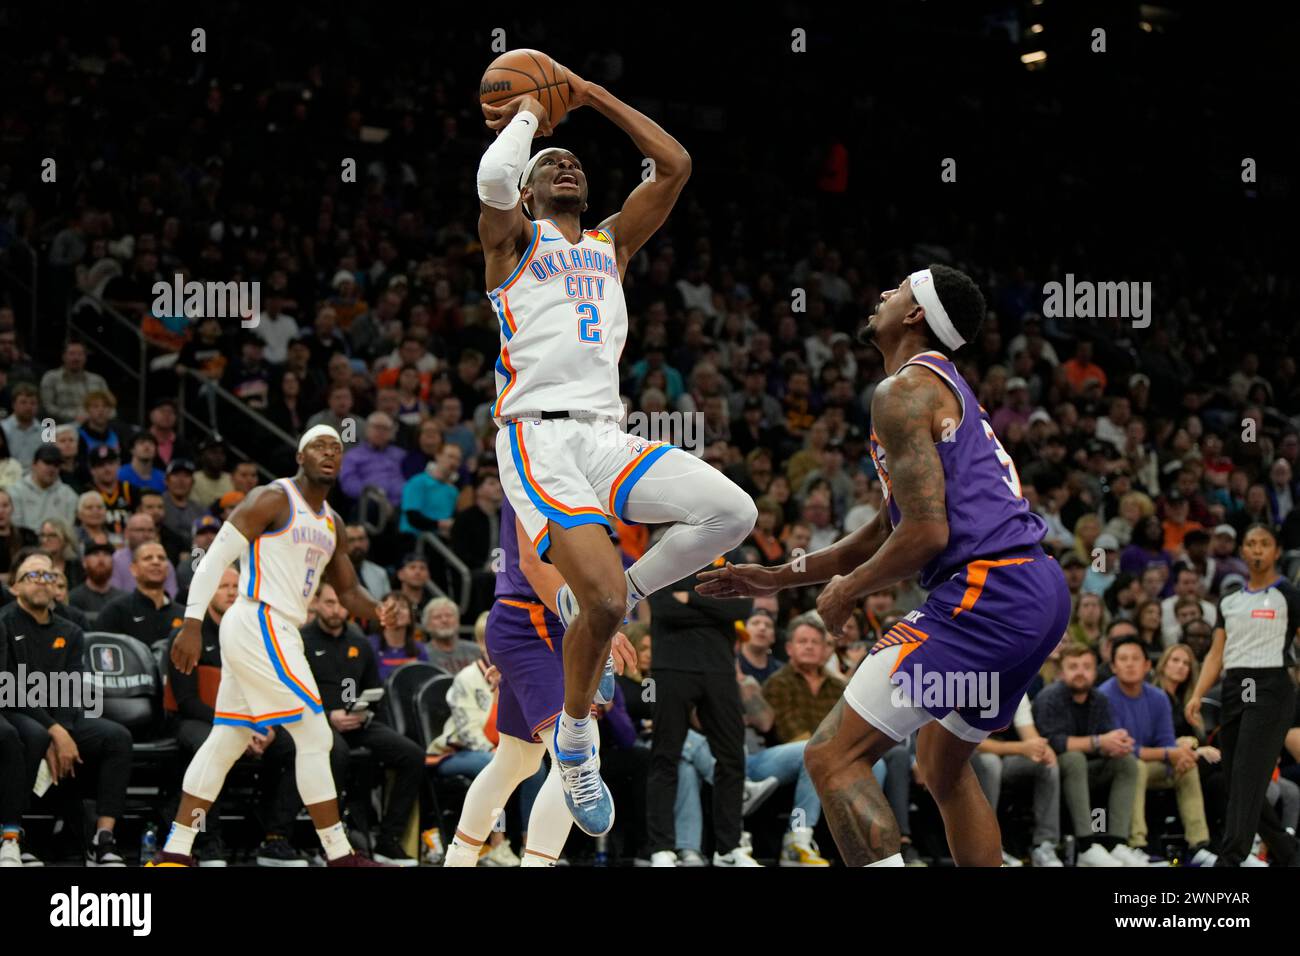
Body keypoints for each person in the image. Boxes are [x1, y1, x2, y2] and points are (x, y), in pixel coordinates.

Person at [700, 267, 1070, 866]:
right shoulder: (941, 389)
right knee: (940, 767)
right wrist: (775, 577)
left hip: (989, 592)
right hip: (1036, 591)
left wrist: (849, 590)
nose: (881, 295)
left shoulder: (900, 393)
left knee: (830, 757)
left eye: (896, 289)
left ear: (917, 313)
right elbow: (888, 526)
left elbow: (927, 533)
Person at [476, 68, 756, 835]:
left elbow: (675, 166)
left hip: (606, 433)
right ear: (529, 193)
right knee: (597, 605)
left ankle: (614, 596)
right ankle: (574, 740)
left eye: (574, 161)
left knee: (731, 511)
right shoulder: (511, 242)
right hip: (539, 437)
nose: (565, 165)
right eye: (548, 166)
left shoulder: (610, 243)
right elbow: (493, 175)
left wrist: (591, 94)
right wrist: (531, 113)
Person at [153, 425, 399, 867]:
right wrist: (190, 622)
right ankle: (340, 855)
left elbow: (347, 592)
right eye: (319, 446)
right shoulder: (273, 498)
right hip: (258, 618)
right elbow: (214, 560)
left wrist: (379, 609)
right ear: (300, 457)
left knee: (226, 740)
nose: (330, 452)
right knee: (315, 733)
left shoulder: (333, 523)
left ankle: (175, 850)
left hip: (278, 626)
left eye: (337, 448)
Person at [443, 497, 635, 868]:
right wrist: (600, 628)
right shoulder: (536, 466)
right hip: (533, 623)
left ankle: (458, 859)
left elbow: (592, 566)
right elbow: (532, 563)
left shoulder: (581, 474)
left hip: (542, 626)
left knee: (517, 761)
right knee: (581, 751)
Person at [0, 551, 133, 865]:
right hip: (17, 709)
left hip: (62, 716)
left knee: (117, 737)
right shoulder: (4, 622)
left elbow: (73, 687)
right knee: (33, 736)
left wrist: (64, 730)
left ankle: (102, 839)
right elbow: (8, 688)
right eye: (32, 575)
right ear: (14, 587)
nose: (42, 582)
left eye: (49, 575)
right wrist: (55, 732)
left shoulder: (70, 630)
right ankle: (19, 836)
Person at [1187, 523, 1299, 867]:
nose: (1257, 550)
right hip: (1235, 688)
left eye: (1264, 544)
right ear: (1242, 551)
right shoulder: (1231, 600)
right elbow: (1216, 654)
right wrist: (1197, 694)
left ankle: (1230, 859)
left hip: (1271, 688)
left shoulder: (1289, 596)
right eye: (1250, 543)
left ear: (1276, 551)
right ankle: (1289, 853)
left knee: (1249, 778)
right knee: (1238, 781)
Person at [302, 583, 425, 866]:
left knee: (412, 755)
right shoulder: (302, 640)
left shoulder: (360, 642)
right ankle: (330, 843)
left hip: (358, 722)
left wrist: (364, 712)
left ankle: (388, 840)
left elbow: (374, 689)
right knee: (338, 755)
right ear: (317, 604)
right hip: (318, 722)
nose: (336, 610)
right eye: (330, 603)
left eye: (341, 604)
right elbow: (294, 689)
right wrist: (329, 714)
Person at [644, 571, 756, 867]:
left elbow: (742, 608)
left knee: (732, 758)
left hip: (719, 669)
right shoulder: (665, 549)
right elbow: (663, 608)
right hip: (670, 666)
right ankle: (661, 848)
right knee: (665, 756)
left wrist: (690, 599)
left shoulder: (730, 556)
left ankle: (728, 848)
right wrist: (712, 608)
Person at [1100, 637, 1215, 865]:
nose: (1130, 664)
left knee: (1188, 768)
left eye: (1136, 659)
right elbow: (1122, 749)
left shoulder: (1158, 698)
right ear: (1113, 666)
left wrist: (1178, 757)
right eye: (1123, 659)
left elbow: (1167, 742)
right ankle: (1136, 844)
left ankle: (1199, 845)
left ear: (1147, 665)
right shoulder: (1104, 696)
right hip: (1111, 766)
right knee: (1135, 766)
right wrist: (1169, 754)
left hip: (1148, 764)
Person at [1032, 645, 1140, 866]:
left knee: (1127, 763)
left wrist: (1117, 744)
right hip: (1054, 769)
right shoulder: (1049, 697)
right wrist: (1099, 742)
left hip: (1088, 770)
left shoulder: (1099, 699)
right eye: (1073, 667)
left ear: (1095, 671)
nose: (1080, 672)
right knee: (1074, 758)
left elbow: (1105, 737)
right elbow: (1053, 742)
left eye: (1087, 667)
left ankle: (1116, 843)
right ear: (1061, 672)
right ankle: (1086, 845)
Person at [970, 694, 1064, 867]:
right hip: (967, 758)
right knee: (991, 764)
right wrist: (1020, 748)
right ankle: (988, 848)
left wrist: (1042, 748)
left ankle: (1044, 846)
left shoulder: (1016, 681)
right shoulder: (970, 679)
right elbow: (969, 739)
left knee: (1047, 765)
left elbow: (1029, 733)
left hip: (1005, 757)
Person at [95, 541, 184, 646]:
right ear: (134, 569)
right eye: (148, 558)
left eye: (161, 558)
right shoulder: (115, 612)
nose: (156, 562)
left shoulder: (185, 615)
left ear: (168, 569)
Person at [10, 445, 78, 533]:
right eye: (47, 463)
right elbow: (15, 527)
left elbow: (69, 529)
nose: (52, 469)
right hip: (25, 543)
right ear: (34, 464)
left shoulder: (69, 495)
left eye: (56, 465)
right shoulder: (16, 491)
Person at [110, 512, 178, 597]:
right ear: (127, 533)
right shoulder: (115, 560)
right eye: (140, 530)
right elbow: (113, 595)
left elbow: (171, 596)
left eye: (150, 530)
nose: (146, 535)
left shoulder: (164, 562)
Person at [367, 594, 428, 681]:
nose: (397, 611)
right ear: (380, 613)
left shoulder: (420, 649)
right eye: (391, 607)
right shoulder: (368, 645)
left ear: (410, 616)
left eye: (403, 607)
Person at [67, 542, 123, 625]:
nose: (101, 559)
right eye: (95, 554)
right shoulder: (73, 598)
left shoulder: (121, 599)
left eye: (106, 554)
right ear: (84, 562)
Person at [421, 596, 481, 673]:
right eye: (437, 617)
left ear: (458, 621)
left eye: (449, 615)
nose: (444, 620)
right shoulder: (422, 654)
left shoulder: (476, 651)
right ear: (427, 624)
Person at [344, 525, 391, 601]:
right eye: (351, 540)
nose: (357, 545)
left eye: (361, 539)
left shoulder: (380, 573)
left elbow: (387, 604)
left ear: (368, 542)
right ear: (342, 544)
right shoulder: (332, 572)